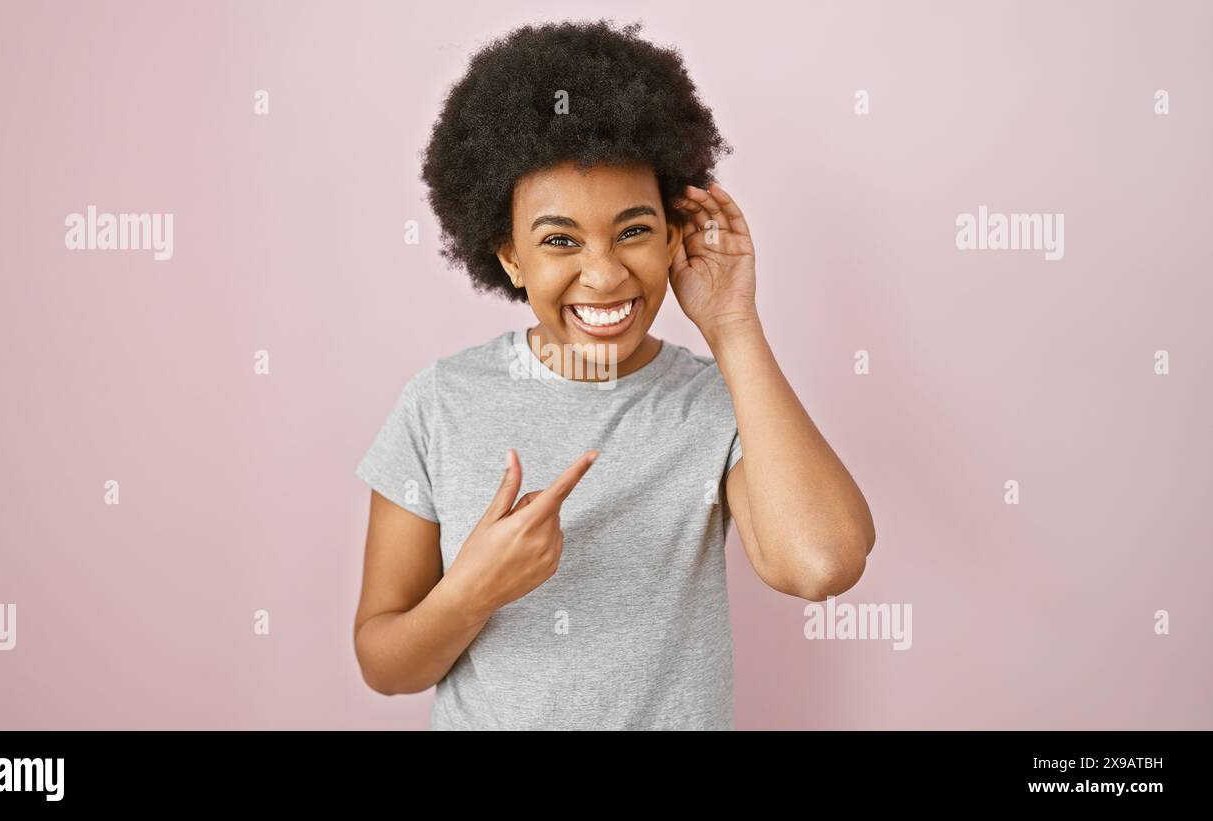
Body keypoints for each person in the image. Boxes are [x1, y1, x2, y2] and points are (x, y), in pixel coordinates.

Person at [353, 19, 875, 730]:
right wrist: (474, 589)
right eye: (559, 240)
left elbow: (821, 565)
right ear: (509, 257)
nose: (603, 275)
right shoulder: (440, 403)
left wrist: (733, 325)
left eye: (632, 230)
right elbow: (384, 664)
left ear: (671, 234)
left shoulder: (722, 404)